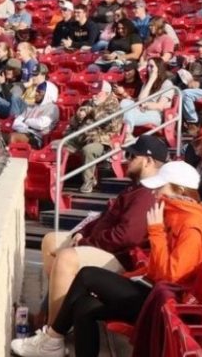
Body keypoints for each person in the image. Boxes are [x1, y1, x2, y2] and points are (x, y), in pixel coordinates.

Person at [11, 161, 202, 357]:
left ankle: (52, 339)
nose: (154, 193)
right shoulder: (176, 216)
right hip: (154, 290)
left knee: (87, 275)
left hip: (164, 302)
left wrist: (156, 233)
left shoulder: (192, 225)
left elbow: (171, 276)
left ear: (180, 191)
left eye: (160, 188)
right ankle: (52, 341)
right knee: (85, 305)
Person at [38, 135, 166, 323]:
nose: (126, 159)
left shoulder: (147, 194)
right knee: (51, 241)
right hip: (103, 245)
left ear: (147, 161)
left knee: (66, 258)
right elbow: (105, 217)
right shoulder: (136, 187)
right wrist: (83, 232)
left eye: (132, 156)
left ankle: (52, 332)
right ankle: (59, 312)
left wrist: (85, 242)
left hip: (122, 258)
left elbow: (126, 237)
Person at [119, 59, 176, 130]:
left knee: (126, 114)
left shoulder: (167, 84)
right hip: (141, 110)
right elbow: (140, 100)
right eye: (148, 66)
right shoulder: (147, 83)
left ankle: (126, 132)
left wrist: (145, 105)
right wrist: (151, 81)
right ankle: (127, 133)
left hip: (155, 114)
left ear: (159, 68)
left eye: (152, 66)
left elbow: (160, 106)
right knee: (125, 102)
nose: (148, 69)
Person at [10, 80, 60, 148]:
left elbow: (40, 124)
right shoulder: (32, 106)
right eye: (36, 91)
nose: (36, 93)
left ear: (47, 94)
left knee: (12, 137)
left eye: (39, 92)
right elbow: (16, 122)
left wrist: (25, 121)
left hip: (36, 138)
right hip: (22, 132)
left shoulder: (52, 108)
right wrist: (26, 124)